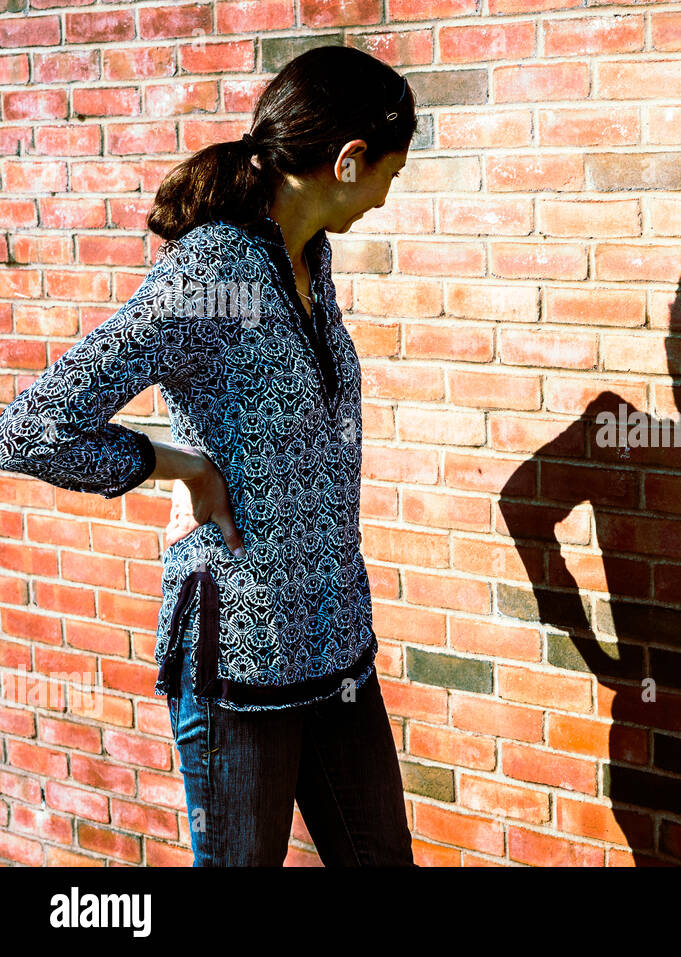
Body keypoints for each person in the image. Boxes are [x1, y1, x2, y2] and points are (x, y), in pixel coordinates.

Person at [0, 45, 418, 866]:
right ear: (347, 161)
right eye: (388, 178)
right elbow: (31, 426)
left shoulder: (307, 257)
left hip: (337, 650)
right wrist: (177, 465)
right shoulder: (210, 272)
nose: (384, 199)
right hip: (241, 662)